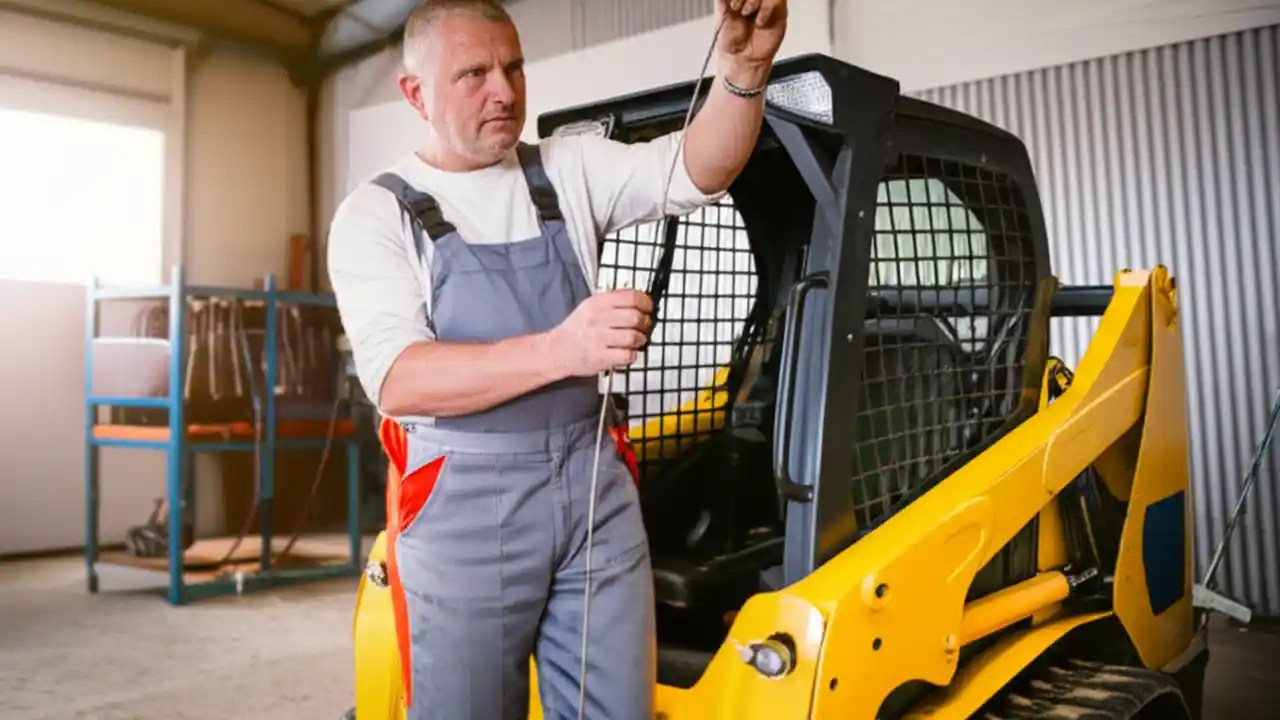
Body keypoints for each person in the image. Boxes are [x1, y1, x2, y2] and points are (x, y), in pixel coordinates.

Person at [327, 0, 788, 717]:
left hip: (591, 485)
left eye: (512, 67)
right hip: (463, 504)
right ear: (416, 94)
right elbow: (400, 378)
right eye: (473, 74)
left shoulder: (565, 169)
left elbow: (697, 170)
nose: (505, 91)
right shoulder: (376, 216)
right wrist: (560, 349)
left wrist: (745, 69)